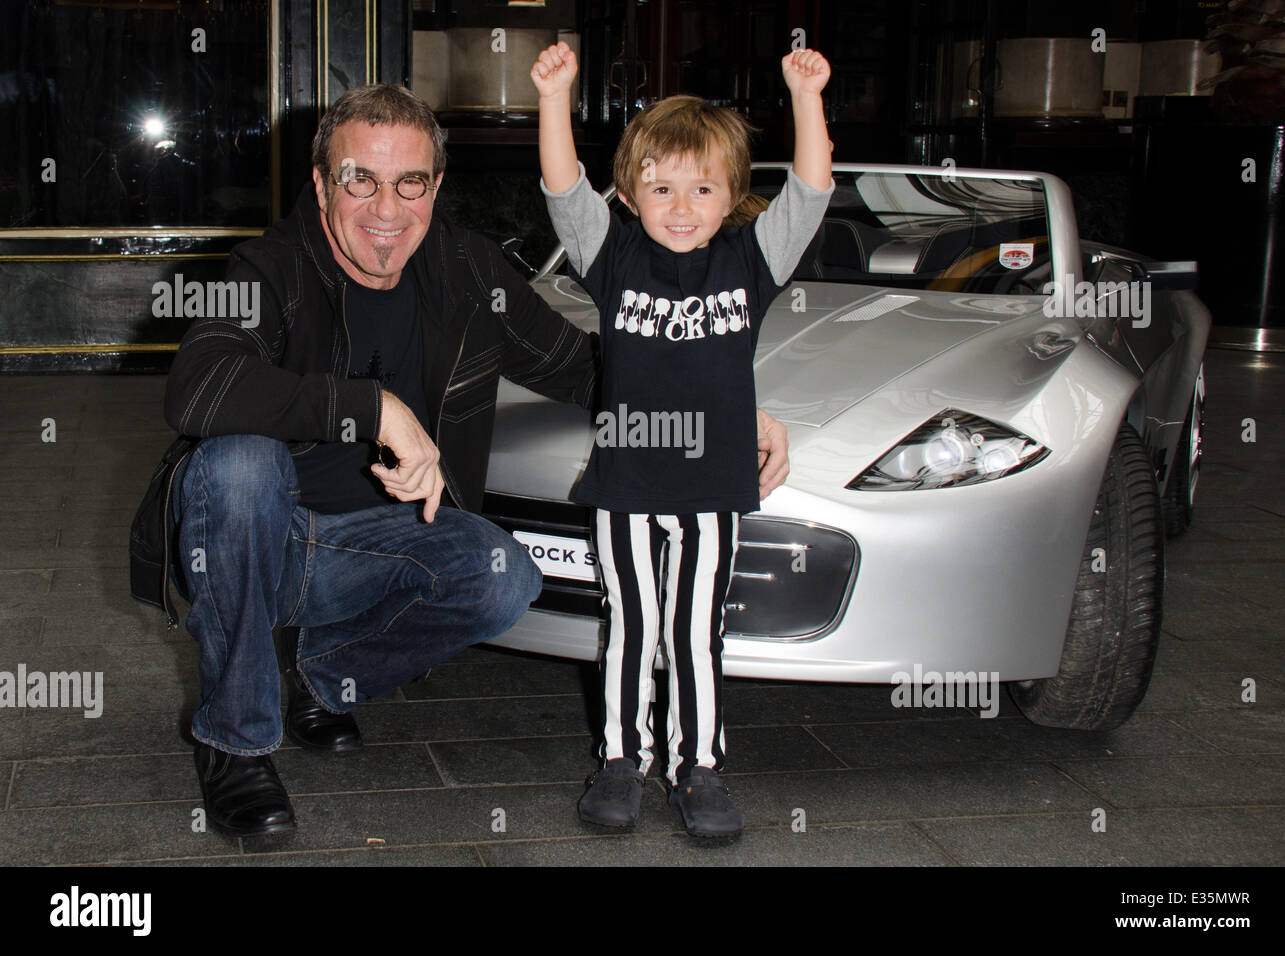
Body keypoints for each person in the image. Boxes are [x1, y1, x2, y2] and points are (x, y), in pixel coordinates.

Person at [136, 83, 792, 837]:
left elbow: (590, 370)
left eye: (409, 181)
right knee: (237, 464)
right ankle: (235, 742)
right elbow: (198, 384)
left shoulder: (470, 273)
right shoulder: (267, 269)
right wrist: (375, 407)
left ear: (436, 187)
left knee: (503, 575)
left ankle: (324, 678)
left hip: (379, 549)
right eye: (361, 179)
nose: (387, 208)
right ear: (321, 184)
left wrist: (727, 412)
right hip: (260, 541)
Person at [530, 43, 832, 837]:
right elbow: (563, 188)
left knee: (696, 633)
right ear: (629, 193)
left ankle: (698, 769)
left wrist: (807, 98)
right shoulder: (613, 254)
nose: (681, 204)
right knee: (629, 628)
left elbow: (810, 190)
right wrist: (555, 97)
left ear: (734, 195)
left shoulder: (751, 258)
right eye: (660, 187)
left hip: (712, 490)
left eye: (703, 188)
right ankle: (621, 761)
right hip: (625, 486)